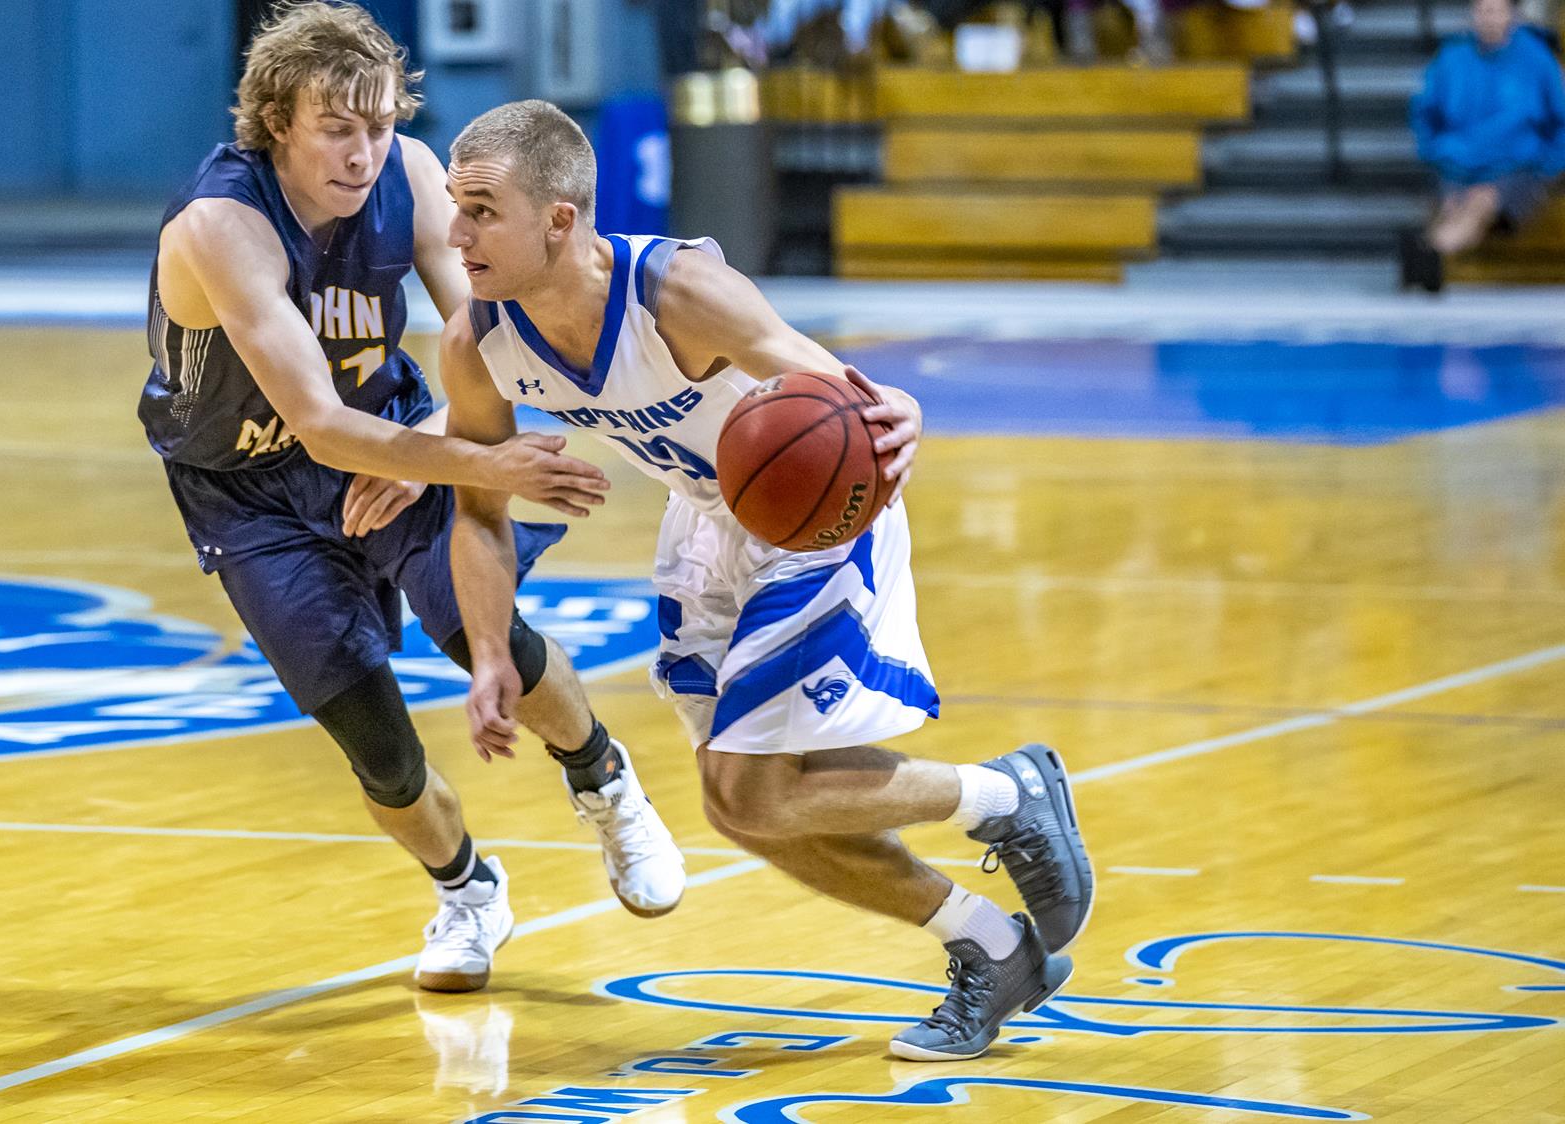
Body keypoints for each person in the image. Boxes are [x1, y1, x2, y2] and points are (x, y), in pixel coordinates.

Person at [439, 100, 1093, 1060]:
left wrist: (898, 404)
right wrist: (491, 650)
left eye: (482, 212)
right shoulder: (479, 345)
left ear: (559, 219)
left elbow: (838, 390)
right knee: (746, 810)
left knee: (751, 794)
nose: (455, 235)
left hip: (814, 519)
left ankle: (1004, 794)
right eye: (455, 207)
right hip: (709, 527)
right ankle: (991, 945)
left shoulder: (679, 292)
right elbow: (478, 510)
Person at [138, 3, 686, 993]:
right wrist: (485, 465)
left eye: (381, 124)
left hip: (388, 432)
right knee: (378, 749)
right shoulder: (222, 225)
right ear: (276, 123)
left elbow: (486, 337)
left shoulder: (413, 176)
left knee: (483, 630)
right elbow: (316, 422)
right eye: (336, 129)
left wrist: (433, 448)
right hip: (249, 491)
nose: (364, 152)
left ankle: (604, 780)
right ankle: (469, 890)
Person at [1404, 0, 1565, 291]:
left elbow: (1559, 117)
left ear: (1512, 15)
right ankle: (1431, 253)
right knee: (1453, 205)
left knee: (1482, 200)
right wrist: (1434, 149)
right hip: (1458, 162)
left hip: (1516, 165)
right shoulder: (1452, 57)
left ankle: (1429, 251)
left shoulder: (1536, 59)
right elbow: (1424, 110)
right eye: (1483, 10)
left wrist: (1550, 163)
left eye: (1496, 10)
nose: (1489, 18)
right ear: (1472, 14)